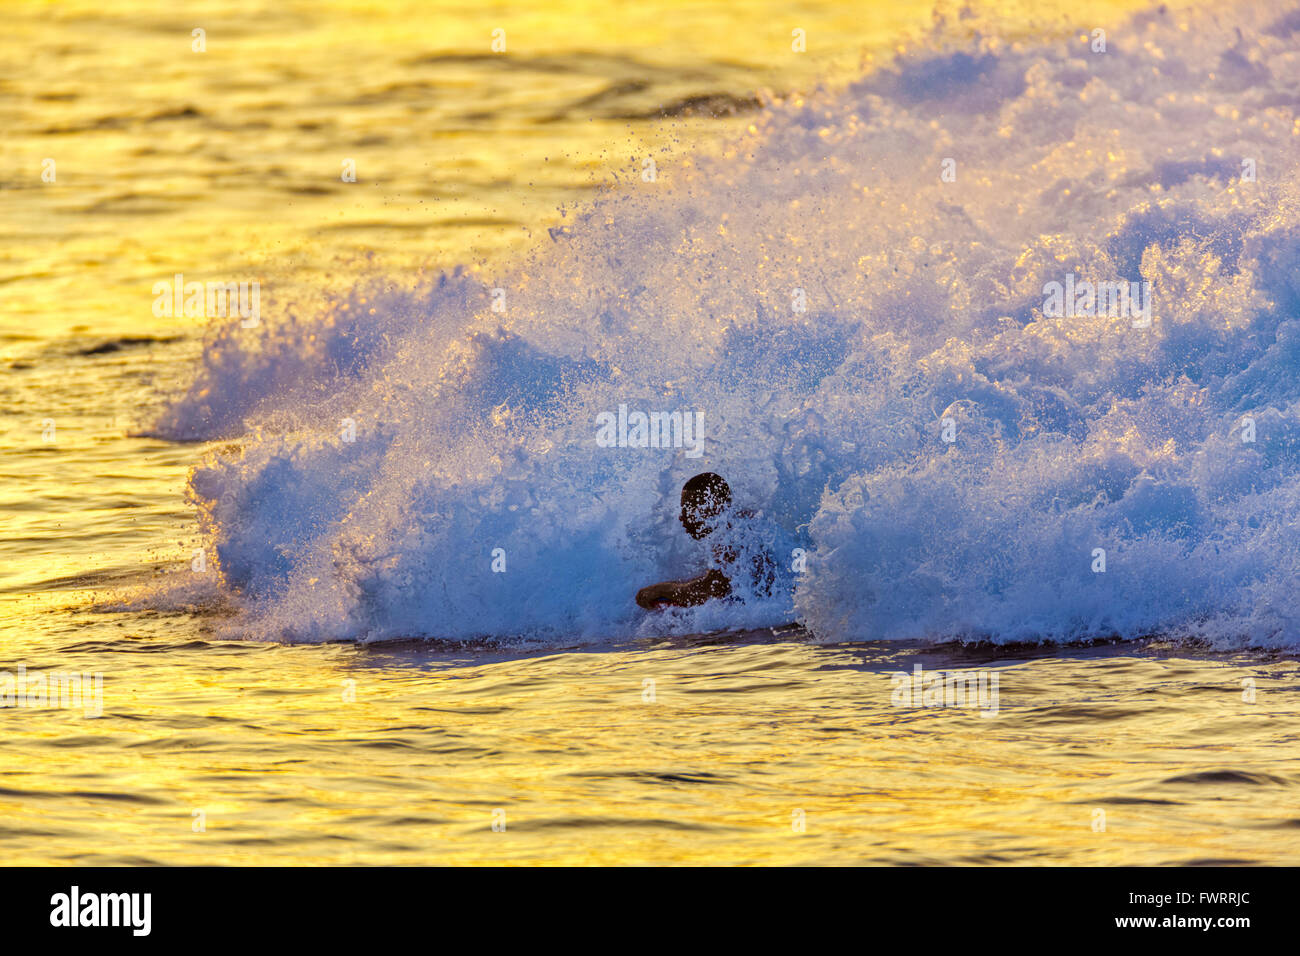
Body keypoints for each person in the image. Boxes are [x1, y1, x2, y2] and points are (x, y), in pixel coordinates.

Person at [636, 473, 775, 610]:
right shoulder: (739, 522)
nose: (681, 517)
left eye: (687, 509)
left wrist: (662, 589)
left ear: (712, 506)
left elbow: (713, 589)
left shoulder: (729, 535)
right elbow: (720, 580)